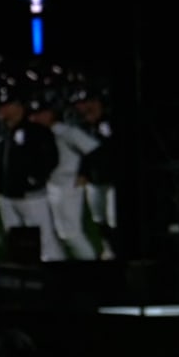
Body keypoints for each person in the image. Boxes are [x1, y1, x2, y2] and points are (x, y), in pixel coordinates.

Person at [0, 88, 61, 262]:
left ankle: (56, 278)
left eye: (5, 106)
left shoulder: (36, 130)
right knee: (14, 241)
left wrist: (35, 179)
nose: (1, 110)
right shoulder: (1, 132)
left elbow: (51, 158)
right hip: (6, 196)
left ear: (17, 107)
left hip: (32, 196)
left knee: (45, 240)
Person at [27, 103, 100, 260]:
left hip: (68, 185)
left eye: (39, 113)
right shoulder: (41, 134)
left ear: (50, 114)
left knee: (70, 234)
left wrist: (84, 174)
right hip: (51, 186)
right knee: (57, 234)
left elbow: (93, 150)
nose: (34, 118)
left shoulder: (67, 132)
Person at [69, 88, 118, 260]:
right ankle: (108, 248)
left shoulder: (110, 123)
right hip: (94, 181)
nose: (85, 108)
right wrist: (82, 174)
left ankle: (117, 249)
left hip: (113, 180)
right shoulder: (83, 128)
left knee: (114, 218)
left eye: (89, 103)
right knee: (99, 218)